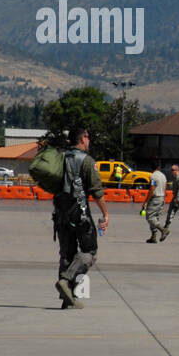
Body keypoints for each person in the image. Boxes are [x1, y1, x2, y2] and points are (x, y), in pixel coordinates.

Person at [53, 127, 110, 308]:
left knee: (67, 254)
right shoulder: (86, 161)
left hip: (60, 213)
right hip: (80, 213)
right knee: (89, 252)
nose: (89, 141)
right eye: (88, 137)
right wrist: (105, 213)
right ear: (82, 139)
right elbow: (97, 191)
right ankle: (67, 280)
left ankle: (67, 300)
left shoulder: (59, 159)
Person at [144, 164, 167, 244]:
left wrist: (146, 201)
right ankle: (153, 237)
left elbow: (152, 188)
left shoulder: (153, 176)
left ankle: (163, 230)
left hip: (155, 198)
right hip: (161, 197)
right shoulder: (163, 175)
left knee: (149, 217)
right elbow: (165, 187)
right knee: (155, 218)